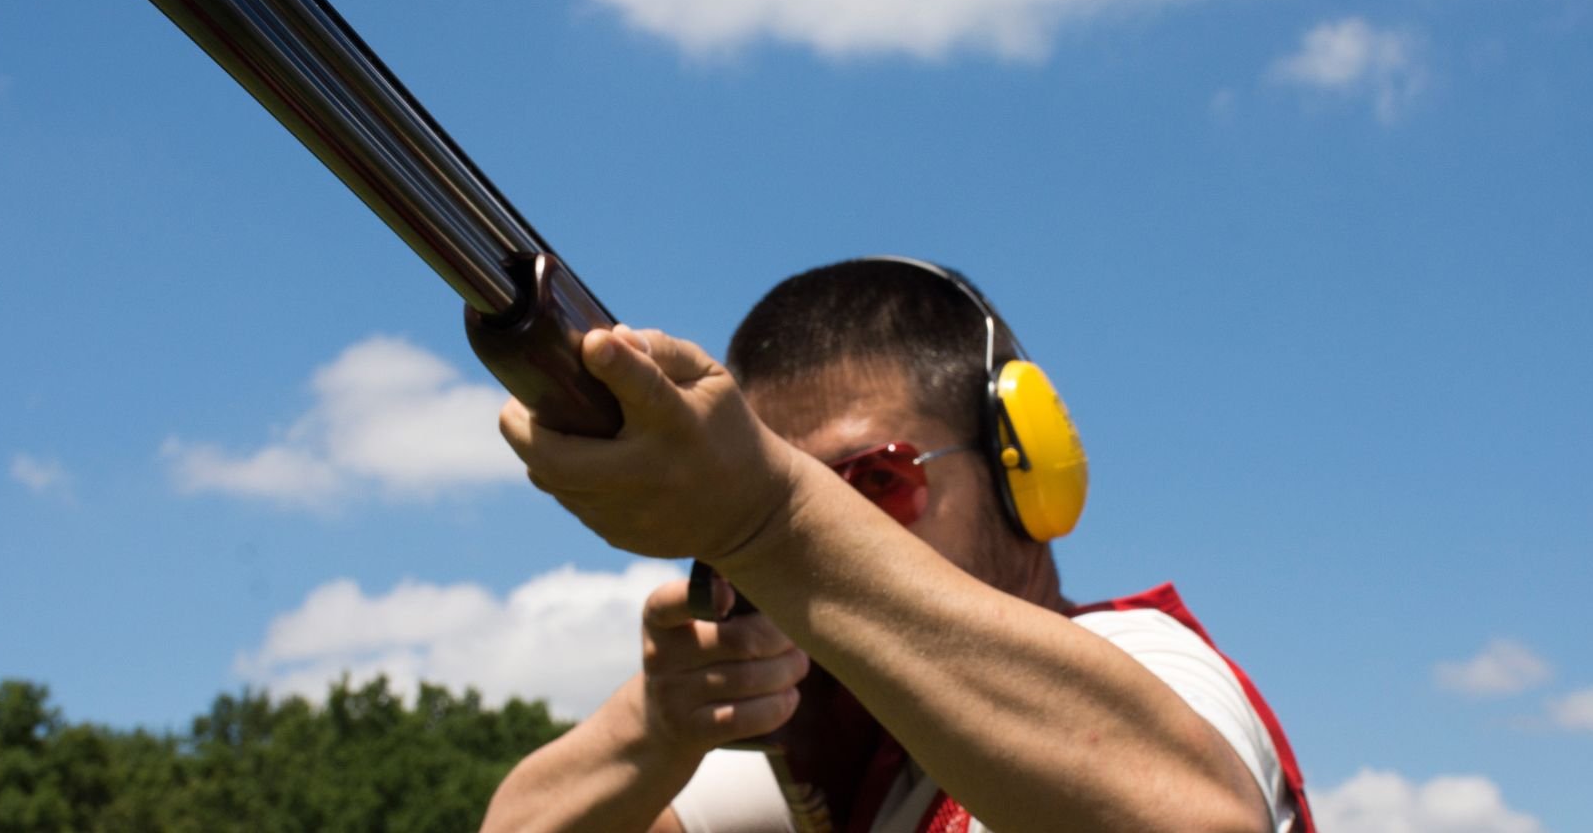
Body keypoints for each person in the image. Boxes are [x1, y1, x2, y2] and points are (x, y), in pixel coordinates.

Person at [481, 259, 1312, 833]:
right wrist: (656, 729)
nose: (839, 525)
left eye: (876, 480)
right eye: (804, 485)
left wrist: (770, 517)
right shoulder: (857, 763)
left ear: (1021, 465)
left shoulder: (1137, 658)